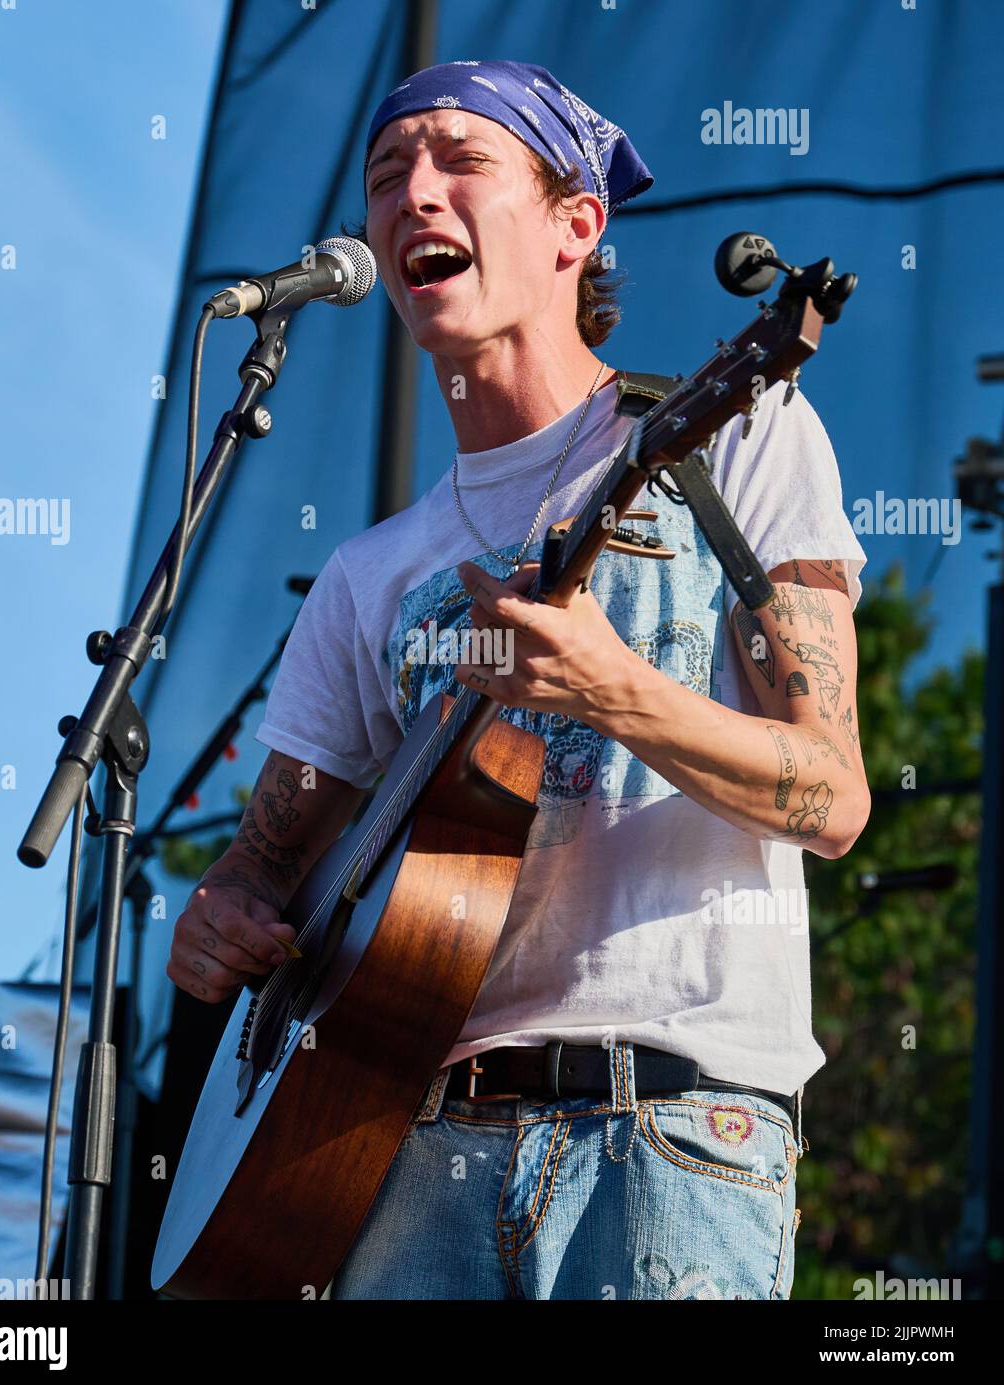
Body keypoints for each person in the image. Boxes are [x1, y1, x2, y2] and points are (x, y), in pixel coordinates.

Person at [165, 60, 870, 1300]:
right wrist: (221, 910)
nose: (411, 199)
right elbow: (260, 863)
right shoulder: (366, 573)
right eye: (387, 179)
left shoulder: (736, 434)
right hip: (385, 1151)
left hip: (665, 1136)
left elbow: (830, 797)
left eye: (458, 162)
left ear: (573, 224)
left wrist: (614, 690)